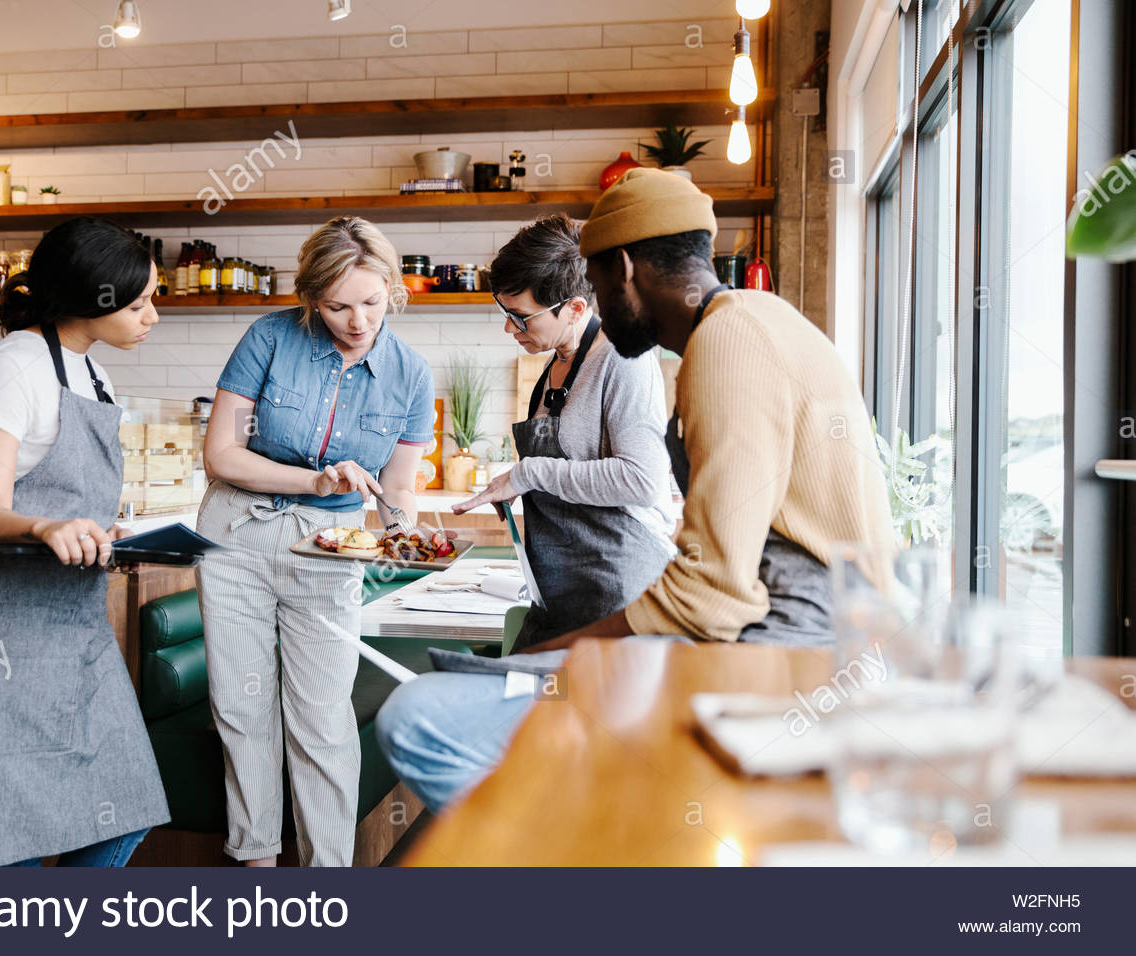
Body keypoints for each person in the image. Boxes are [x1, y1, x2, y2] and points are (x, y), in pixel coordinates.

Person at [376, 169, 894, 812]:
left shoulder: (727, 343)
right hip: (773, 630)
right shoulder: (748, 323)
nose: (588, 303)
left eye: (591, 284)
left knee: (421, 717)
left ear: (622, 268)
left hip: (793, 651)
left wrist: (565, 653)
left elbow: (714, 590)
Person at [0, 217, 168, 866]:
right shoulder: (14, 367)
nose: (153, 318)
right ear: (94, 297)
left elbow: (67, 497)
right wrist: (46, 527)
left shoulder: (92, 375)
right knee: (10, 836)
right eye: (140, 303)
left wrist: (101, 530)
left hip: (73, 629)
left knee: (125, 808)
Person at [197, 216, 433, 867]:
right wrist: (317, 477)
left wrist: (402, 533)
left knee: (322, 721)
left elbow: (399, 486)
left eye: (370, 300)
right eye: (337, 305)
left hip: (329, 549)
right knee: (241, 711)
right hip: (237, 539)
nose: (357, 320)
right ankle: (257, 862)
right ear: (311, 298)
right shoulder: (269, 339)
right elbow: (222, 454)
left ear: (391, 286)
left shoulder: (411, 376)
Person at [450, 214, 674, 649]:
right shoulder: (556, 363)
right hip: (559, 599)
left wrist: (530, 475)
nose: (508, 329)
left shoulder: (623, 359)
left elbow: (642, 481)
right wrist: (517, 486)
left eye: (521, 318)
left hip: (620, 597)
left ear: (574, 308)